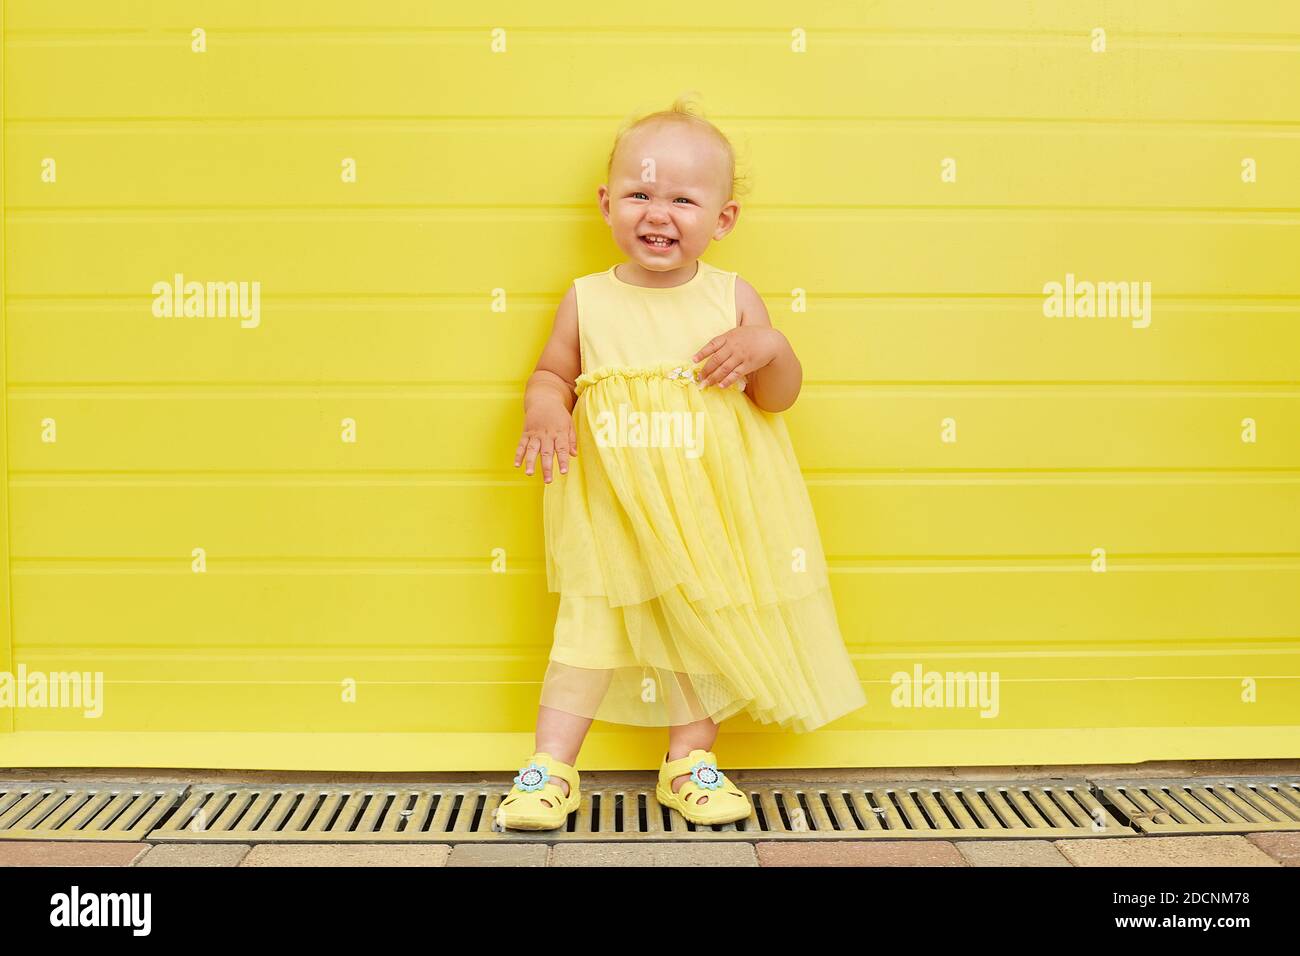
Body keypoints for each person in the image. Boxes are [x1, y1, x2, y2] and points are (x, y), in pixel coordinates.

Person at [503, 94, 866, 831]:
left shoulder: (731, 298)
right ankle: (550, 768)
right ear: (607, 204)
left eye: (682, 199)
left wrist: (774, 348)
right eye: (638, 193)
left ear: (722, 219)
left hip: (706, 509)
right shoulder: (587, 300)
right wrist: (545, 404)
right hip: (613, 508)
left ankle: (689, 762)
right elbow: (552, 371)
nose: (657, 213)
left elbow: (777, 399)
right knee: (588, 625)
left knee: (698, 629)